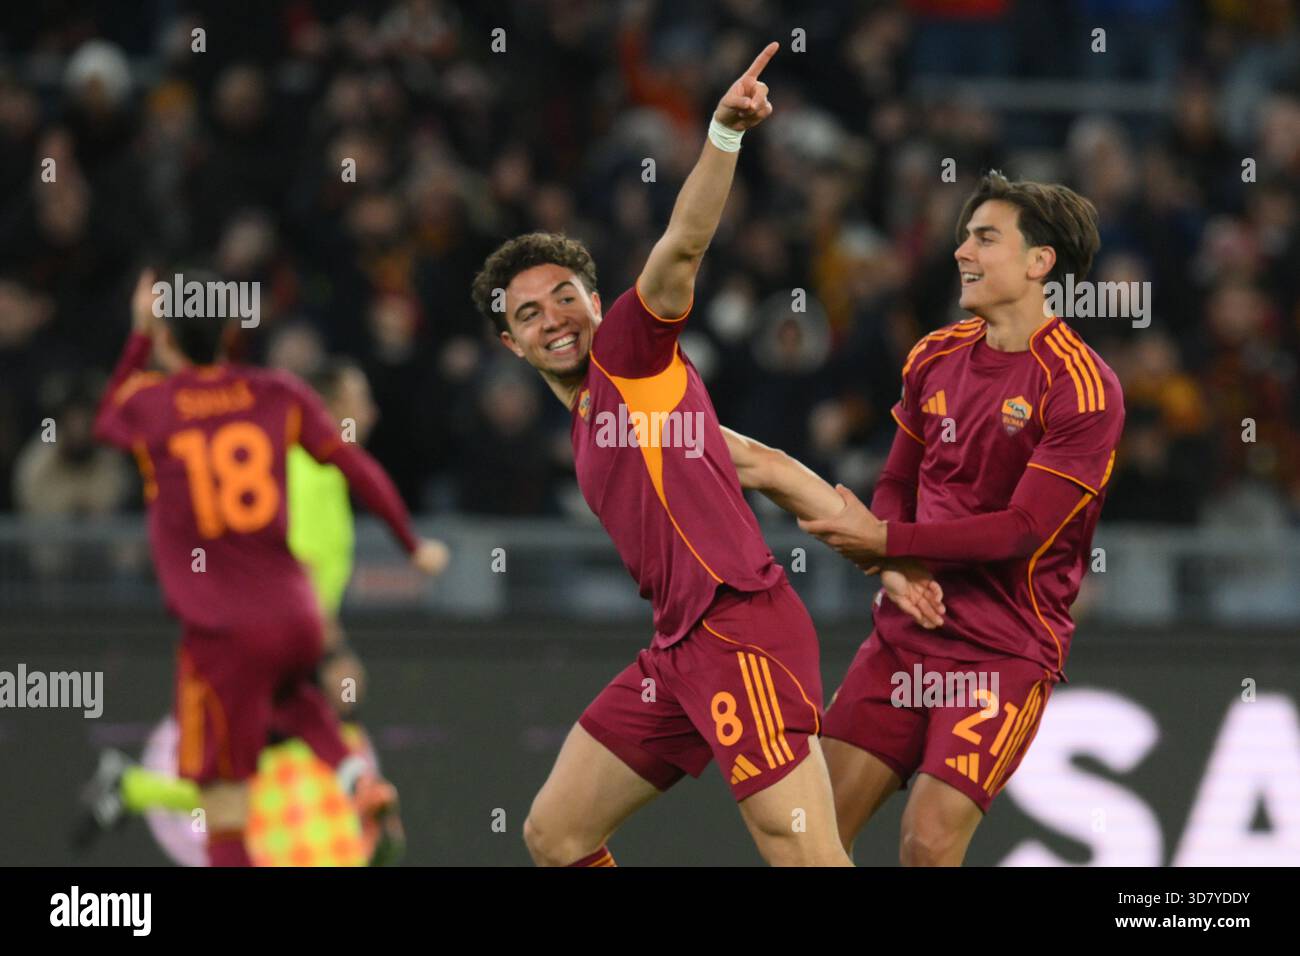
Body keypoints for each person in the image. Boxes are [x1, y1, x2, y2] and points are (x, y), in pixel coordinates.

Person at [471, 43, 850, 867]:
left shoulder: (628, 356)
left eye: (565, 295)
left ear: (597, 300)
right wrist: (886, 557)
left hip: (737, 632)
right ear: (511, 344)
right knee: (556, 833)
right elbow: (769, 466)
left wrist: (721, 134)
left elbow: (681, 247)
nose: (554, 317)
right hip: (679, 651)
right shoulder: (606, 416)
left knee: (809, 862)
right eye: (529, 313)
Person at [724, 172, 1125, 864]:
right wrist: (893, 566)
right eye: (966, 236)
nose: (961, 251)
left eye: (985, 238)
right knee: (802, 834)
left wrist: (887, 542)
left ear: (1039, 263)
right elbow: (896, 481)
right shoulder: (934, 355)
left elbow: (1022, 528)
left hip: (1002, 649)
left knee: (927, 844)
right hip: (906, 635)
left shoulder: (1083, 387)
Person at [90, 267, 446, 866]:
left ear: (166, 338)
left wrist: (137, 336)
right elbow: (358, 466)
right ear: (232, 332)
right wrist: (413, 546)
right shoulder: (278, 394)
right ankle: (358, 780)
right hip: (295, 617)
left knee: (222, 812)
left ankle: (128, 788)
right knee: (293, 703)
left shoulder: (154, 405)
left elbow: (106, 418)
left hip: (224, 633)